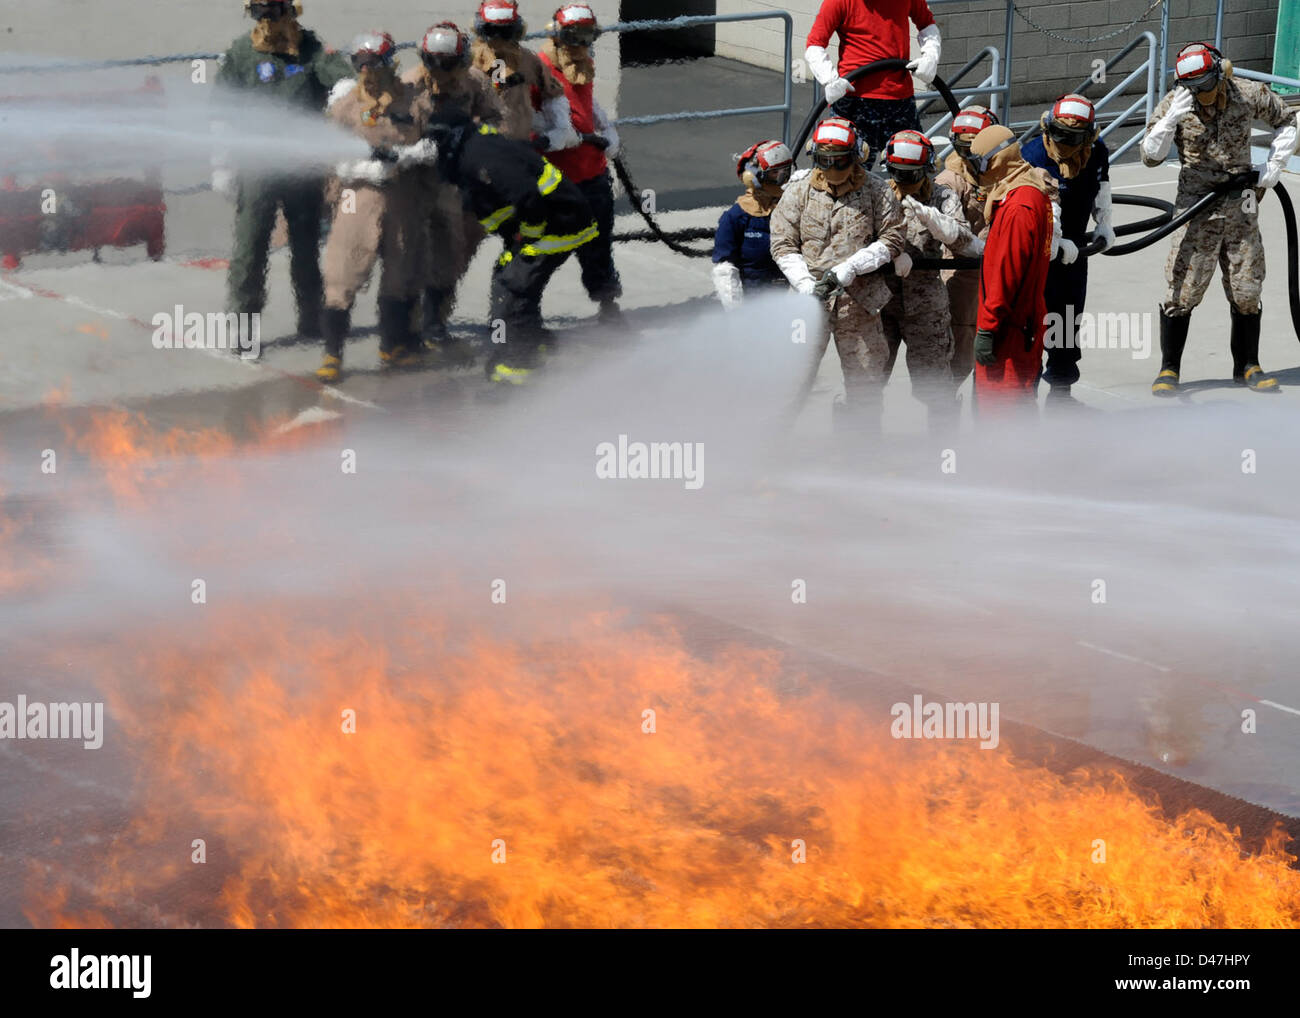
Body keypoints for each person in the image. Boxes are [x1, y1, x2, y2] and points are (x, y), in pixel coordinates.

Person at [1141, 42, 1297, 396]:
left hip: (1241, 203)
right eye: (1193, 89)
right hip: (1197, 209)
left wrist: (1274, 164)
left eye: (1206, 86)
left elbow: (1287, 119)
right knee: (1182, 290)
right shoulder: (1178, 103)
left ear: (1220, 73)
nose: (1202, 95)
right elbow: (1150, 156)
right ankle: (1169, 369)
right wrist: (1169, 121)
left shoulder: (1246, 93)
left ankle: (1248, 365)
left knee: (1247, 288)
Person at [214, 0, 351, 347]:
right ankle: (243, 329)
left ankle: (312, 320)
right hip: (257, 166)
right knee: (250, 248)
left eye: (272, 11)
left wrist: (345, 99)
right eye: (257, 12)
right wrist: (222, 163)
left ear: (289, 11)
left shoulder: (311, 49)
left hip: (301, 166)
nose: (265, 20)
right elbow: (220, 109)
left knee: (306, 248)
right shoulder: (241, 53)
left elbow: (344, 82)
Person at [422, 113, 598, 384]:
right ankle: (534, 341)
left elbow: (527, 197)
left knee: (513, 288)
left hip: (560, 222)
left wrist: (525, 240)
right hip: (552, 220)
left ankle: (518, 370)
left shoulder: (480, 159)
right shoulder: (473, 151)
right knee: (509, 277)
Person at [315, 31, 439, 383]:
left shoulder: (415, 102)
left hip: (404, 198)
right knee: (342, 274)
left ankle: (393, 346)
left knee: (402, 273)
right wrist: (370, 168)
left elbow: (433, 143)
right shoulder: (345, 108)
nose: (367, 70)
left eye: (374, 63)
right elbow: (332, 161)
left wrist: (416, 155)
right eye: (360, 63)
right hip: (358, 198)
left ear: (390, 63)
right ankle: (332, 354)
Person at [769, 117, 907, 431]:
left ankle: (860, 450)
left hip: (859, 304)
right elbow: (782, 241)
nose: (831, 169)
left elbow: (893, 238)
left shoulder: (876, 191)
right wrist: (805, 283)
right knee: (790, 379)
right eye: (824, 161)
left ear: (856, 155)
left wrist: (849, 269)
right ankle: (771, 449)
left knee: (866, 384)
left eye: (839, 161)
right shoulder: (799, 191)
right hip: (807, 306)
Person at [403, 22, 502, 360]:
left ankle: (435, 326)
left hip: (451, 185)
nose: (441, 73)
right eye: (434, 63)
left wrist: (474, 136)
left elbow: (496, 118)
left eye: (449, 65)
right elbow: (391, 135)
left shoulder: (475, 81)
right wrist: (415, 149)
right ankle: (405, 331)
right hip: (414, 183)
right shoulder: (408, 85)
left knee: (448, 255)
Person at [879, 129, 982, 432]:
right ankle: (859, 451)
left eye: (912, 175)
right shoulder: (878, 193)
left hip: (925, 307)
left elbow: (965, 241)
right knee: (866, 381)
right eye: (899, 174)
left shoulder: (942, 196)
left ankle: (943, 455)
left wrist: (933, 220)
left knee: (937, 387)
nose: (906, 183)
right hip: (879, 303)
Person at [1021, 94, 1114, 404]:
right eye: (1059, 135)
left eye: (1073, 138)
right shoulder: (1032, 156)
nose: (1063, 143)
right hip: (1036, 251)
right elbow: (1025, 210)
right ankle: (1026, 392)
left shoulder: (1097, 151)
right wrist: (1052, 241)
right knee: (1035, 319)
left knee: (1067, 317)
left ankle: (1061, 390)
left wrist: (1104, 223)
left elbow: (1101, 186)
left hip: (1077, 247)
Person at [537, 4, 625, 326]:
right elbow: (521, 115)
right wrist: (554, 137)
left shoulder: (583, 62)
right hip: (555, 179)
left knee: (599, 245)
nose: (580, 44)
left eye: (587, 37)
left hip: (592, 171)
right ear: (557, 36)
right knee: (543, 252)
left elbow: (588, 102)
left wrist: (607, 130)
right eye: (574, 38)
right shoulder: (540, 67)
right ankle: (520, 311)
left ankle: (607, 306)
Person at [968, 125, 1054, 412]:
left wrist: (988, 329)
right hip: (1023, 323)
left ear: (996, 162)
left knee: (1002, 416)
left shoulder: (1018, 207)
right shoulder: (1030, 191)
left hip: (1009, 331)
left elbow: (1005, 275)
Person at [805, 0, 941, 167]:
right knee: (846, 174)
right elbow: (815, 44)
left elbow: (927, 25)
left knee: (913, 169)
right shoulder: (839, 2)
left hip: (899, 99)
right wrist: (829, 78)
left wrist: (931, 56)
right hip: (854, 100)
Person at [935, 105, 999, 385]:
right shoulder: (950, 180)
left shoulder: (1004, 169)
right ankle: (946, 416)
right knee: (960, 355)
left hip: (999, 276)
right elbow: (954, 233)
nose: (971, 155)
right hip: (963, 279)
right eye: (964, 148)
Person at [470, 0, 575, 146]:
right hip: (481, 147)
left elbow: (554, 94)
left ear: (515, 31)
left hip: (520, 145)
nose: (498, 38)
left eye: (505, 32)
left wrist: (560, 129)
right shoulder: (468, 64)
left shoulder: (527, 60)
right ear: (481, 30)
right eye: (492, 31)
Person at [712, 140, 795, 309]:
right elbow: (725, 270)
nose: (784, 178)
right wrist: (737, 311)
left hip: (786, 296)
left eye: (786, 171)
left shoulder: (791, 209)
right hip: (752, 300)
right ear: (754, 177)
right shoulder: (735, 217)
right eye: (776, 174)